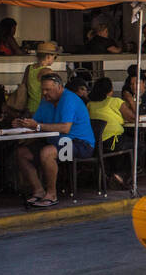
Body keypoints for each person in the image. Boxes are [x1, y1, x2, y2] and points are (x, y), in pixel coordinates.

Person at [13, 71, 95, 208]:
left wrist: (37, 126)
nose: (44, 93)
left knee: (47, 152)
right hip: (56, 141)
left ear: (59, 87)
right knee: (21, 153)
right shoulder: (46, 101)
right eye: (43, 90)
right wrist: (23, 123)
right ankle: (38, 191)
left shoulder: (69, 99)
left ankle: (52, 194)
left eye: (48, 90)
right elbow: (36, 122)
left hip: (81, 145)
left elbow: (65, 128)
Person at [88, 78, 134, 184]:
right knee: (139, 145)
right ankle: (121, 174)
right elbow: (133, 118)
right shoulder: (115, 101)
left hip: (97, 144)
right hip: (113, 140)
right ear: (110, 91)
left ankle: (112, 174)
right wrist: (131, 101)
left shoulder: (90, 104)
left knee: (125, 143)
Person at [13, 41, 59, 115]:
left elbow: (23, 87)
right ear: (48, 56)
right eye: (54, 57)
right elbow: (48, 94)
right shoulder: (47, 71)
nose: (54, 59)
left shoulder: (29, 68)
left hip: (29, 107)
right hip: (41, 109)